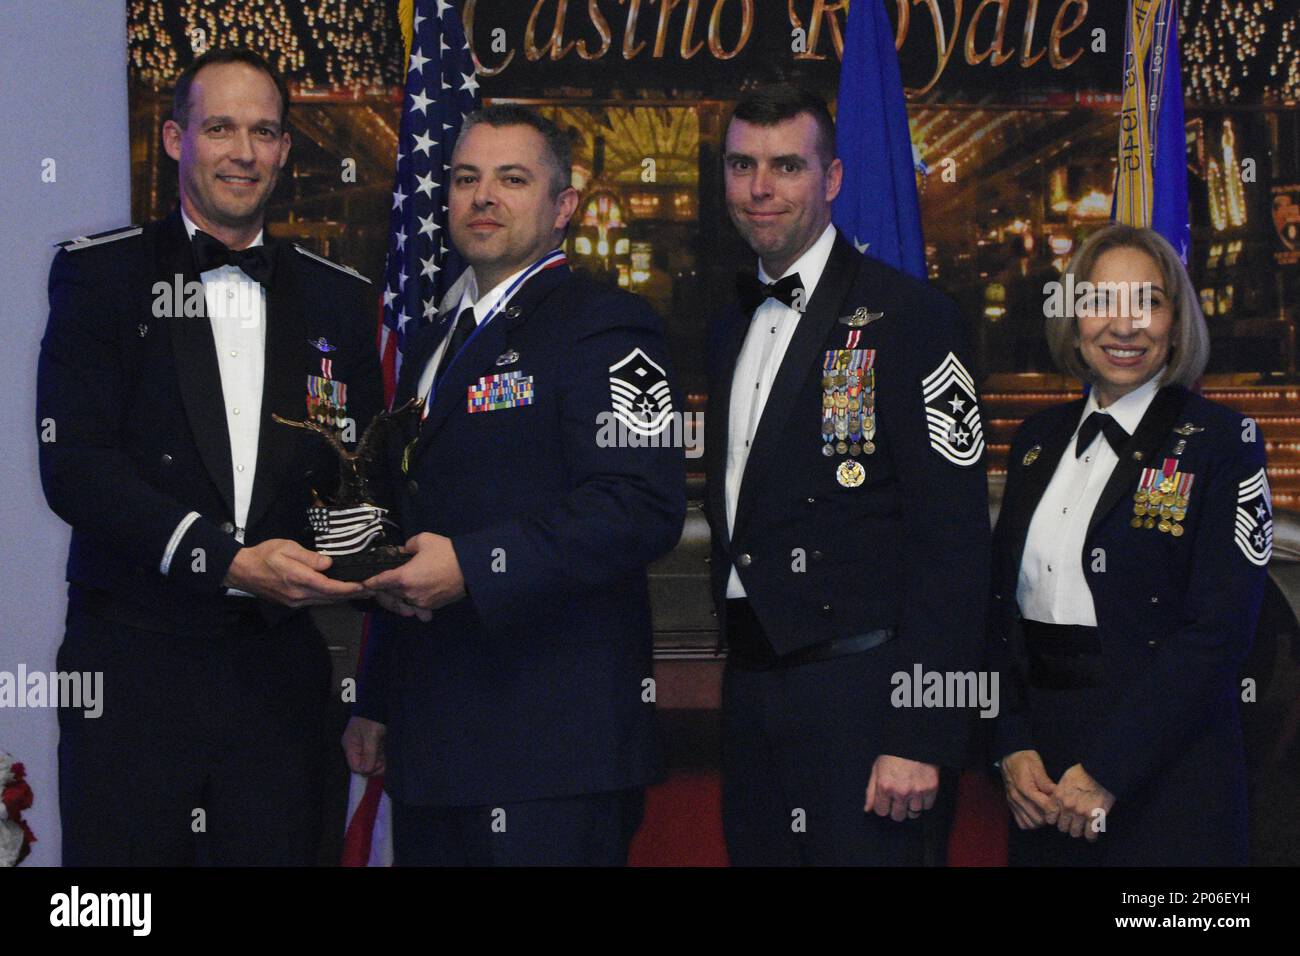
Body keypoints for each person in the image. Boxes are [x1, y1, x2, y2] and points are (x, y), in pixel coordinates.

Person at [37, 48, 383, 865]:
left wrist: (379, 559)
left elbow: (356, 479)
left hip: (279, 680)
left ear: (286, 150)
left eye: (263, 132)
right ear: (174, 139)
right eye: (220, 128)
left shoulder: (339, 296)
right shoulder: (101, 275)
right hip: (131, 669)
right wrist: (226, 560)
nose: (243, 152)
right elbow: (76, 467)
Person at [343, 105, 686, 866]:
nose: (483, 197)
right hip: (433, 743)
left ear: (564, 206)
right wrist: (377, 697)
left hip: (551, 753)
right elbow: (413, 517)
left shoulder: (610, 326)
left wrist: (472, 566)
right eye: (466, 178)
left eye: (512, 179)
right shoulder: (434, 340)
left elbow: (641, 504)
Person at [703, 84, 991, 866]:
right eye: (742, 165)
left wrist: (922, 730)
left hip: (869, 702)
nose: (760, 187)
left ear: (831, 179)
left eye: (787, 165)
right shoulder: (728, 326)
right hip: (753, 690)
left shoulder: (914, 318)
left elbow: (955, 542)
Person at [990, 223, 1269, 865]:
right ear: (1073, 319)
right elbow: (997, 612)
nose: (1125, 325)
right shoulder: (1036, 439)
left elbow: (1220, 633)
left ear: (1176, 321)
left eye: (1148, 302)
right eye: (1100, 302)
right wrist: (1009, 744)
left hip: (1165, 770)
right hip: (1041, 777)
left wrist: (1108, 771)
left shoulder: (1222, 443)